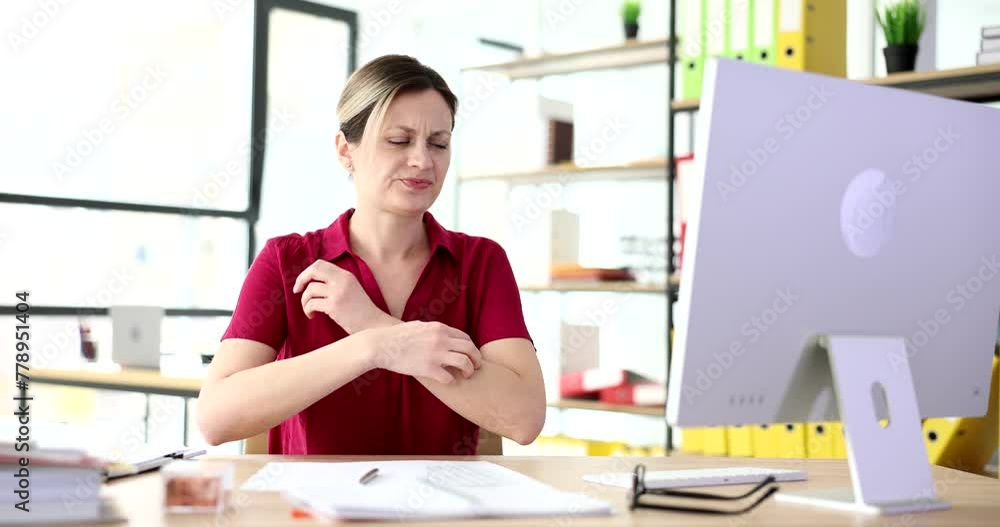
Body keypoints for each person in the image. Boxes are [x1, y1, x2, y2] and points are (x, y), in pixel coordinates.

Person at [196, 55, 546, 455]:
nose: (423, 160)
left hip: (440, 497)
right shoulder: (287, 261)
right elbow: (215, 419)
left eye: (438, 143)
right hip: (313, 497)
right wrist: (372, 346)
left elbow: (524, 420)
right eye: (399, 140)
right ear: (346, 150)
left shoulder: (481, 263)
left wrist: (370, 321)